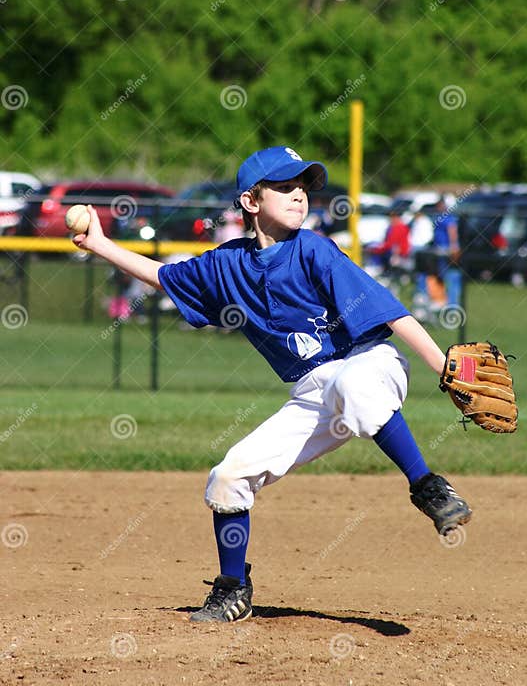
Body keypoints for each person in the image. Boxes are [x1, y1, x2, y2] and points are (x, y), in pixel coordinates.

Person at [73, 146, 471, 624]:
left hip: (369, 362)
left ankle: (429, 488)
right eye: (285, 187)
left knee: (353, 385)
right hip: (311, 390)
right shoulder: (228, 264)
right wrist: (99, 246)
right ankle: (233, 588)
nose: (299, 195)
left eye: (303, 186)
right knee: (227, 477)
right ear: (250, 202)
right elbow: (163, 276)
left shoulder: (315, 250)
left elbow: (388, 310)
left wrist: (442, 366)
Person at [431, 198, 462, 309]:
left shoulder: (448, 218)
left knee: (451, 276)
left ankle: (452, 304)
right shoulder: (439, 216)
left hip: (447, 249)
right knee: (441, 276)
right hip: (440, 249)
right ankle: (443, 300)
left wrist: (454, 247)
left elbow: (452, 230)